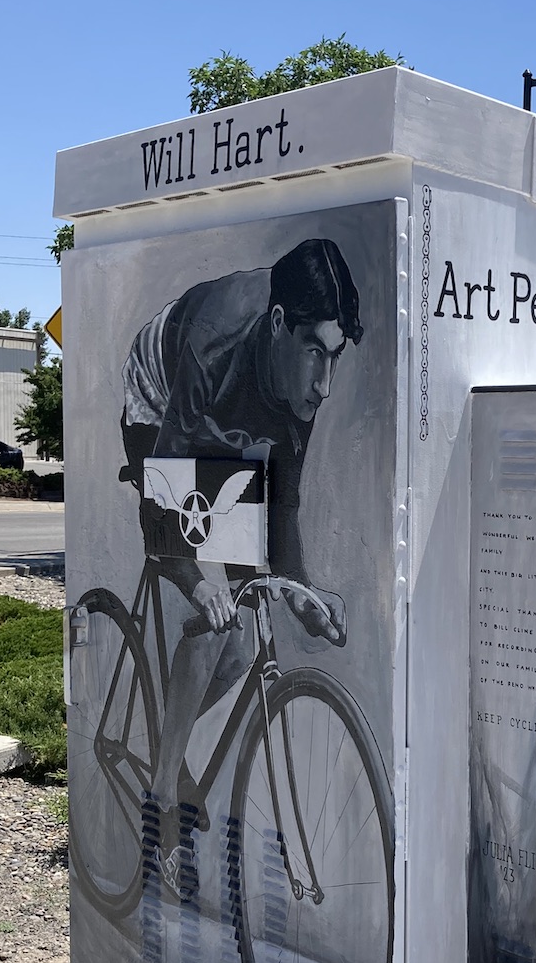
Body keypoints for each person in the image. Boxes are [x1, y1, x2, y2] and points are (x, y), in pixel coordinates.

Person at [120, 237, 362, 870]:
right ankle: (162, 798)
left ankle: (166, 742)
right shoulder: (214, 344)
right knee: (214, 618)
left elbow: (284, 501)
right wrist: (195, 581)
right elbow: (164, 499)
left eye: (335, 356)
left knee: (236, 640)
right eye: (315, 353)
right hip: (162, 395)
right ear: (279, 324)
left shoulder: (299, 383)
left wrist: (302, 594)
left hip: (224, 415)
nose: (325, 384)